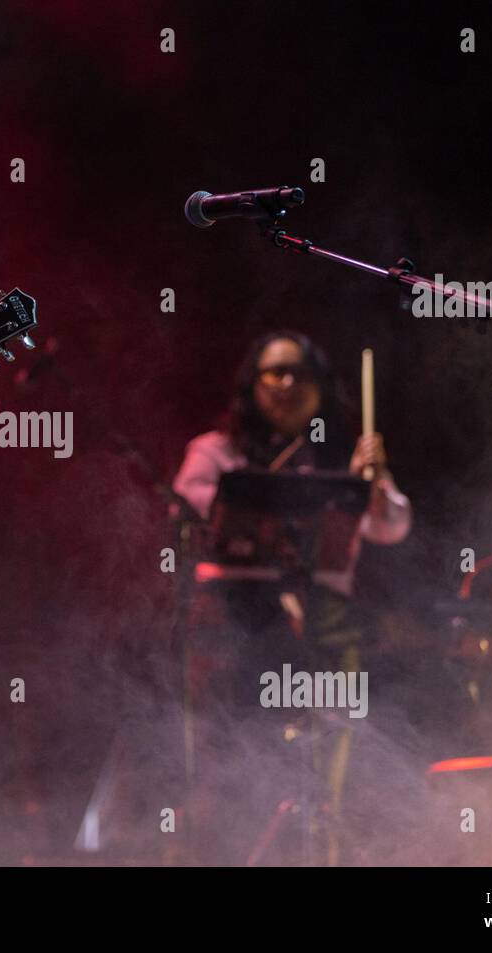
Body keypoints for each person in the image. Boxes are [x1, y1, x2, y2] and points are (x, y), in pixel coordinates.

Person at [170, 329, 411, 863]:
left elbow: (391, 526)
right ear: (252, 384)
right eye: (273, 373)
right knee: (230, 772)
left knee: (323, 780)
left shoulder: (340, 460)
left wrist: (375, 482)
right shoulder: (215, 452)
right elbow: (194, 498)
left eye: (299, 374)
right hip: (237, 632)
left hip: (323, 630)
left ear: (319, 388)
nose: (285, 383)